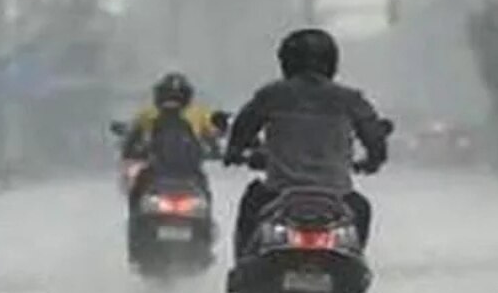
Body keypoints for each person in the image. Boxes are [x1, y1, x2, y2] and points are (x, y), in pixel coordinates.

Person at [223, 28, 388, 264]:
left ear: (287, 61)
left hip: (277, 192)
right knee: (361, 209)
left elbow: (243, 127)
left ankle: (242, 269)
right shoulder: (350, 99)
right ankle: (353, 265)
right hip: (337, 195)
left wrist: (234, 152)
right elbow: (374, 137)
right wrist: (374, 160)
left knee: (251, 204)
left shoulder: (271, 95)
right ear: (331, 61)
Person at [122, 72, 220, 260]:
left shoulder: (200, 114)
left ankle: (204, 235)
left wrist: (216, 150)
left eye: (176, 97)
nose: (172, 102)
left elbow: (213, 139)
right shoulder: (147, 115)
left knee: (205, 195)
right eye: (169, 97)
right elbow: (131, 140)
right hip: (158, 173)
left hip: (187, 173)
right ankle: (137, 235)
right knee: (136, 194)